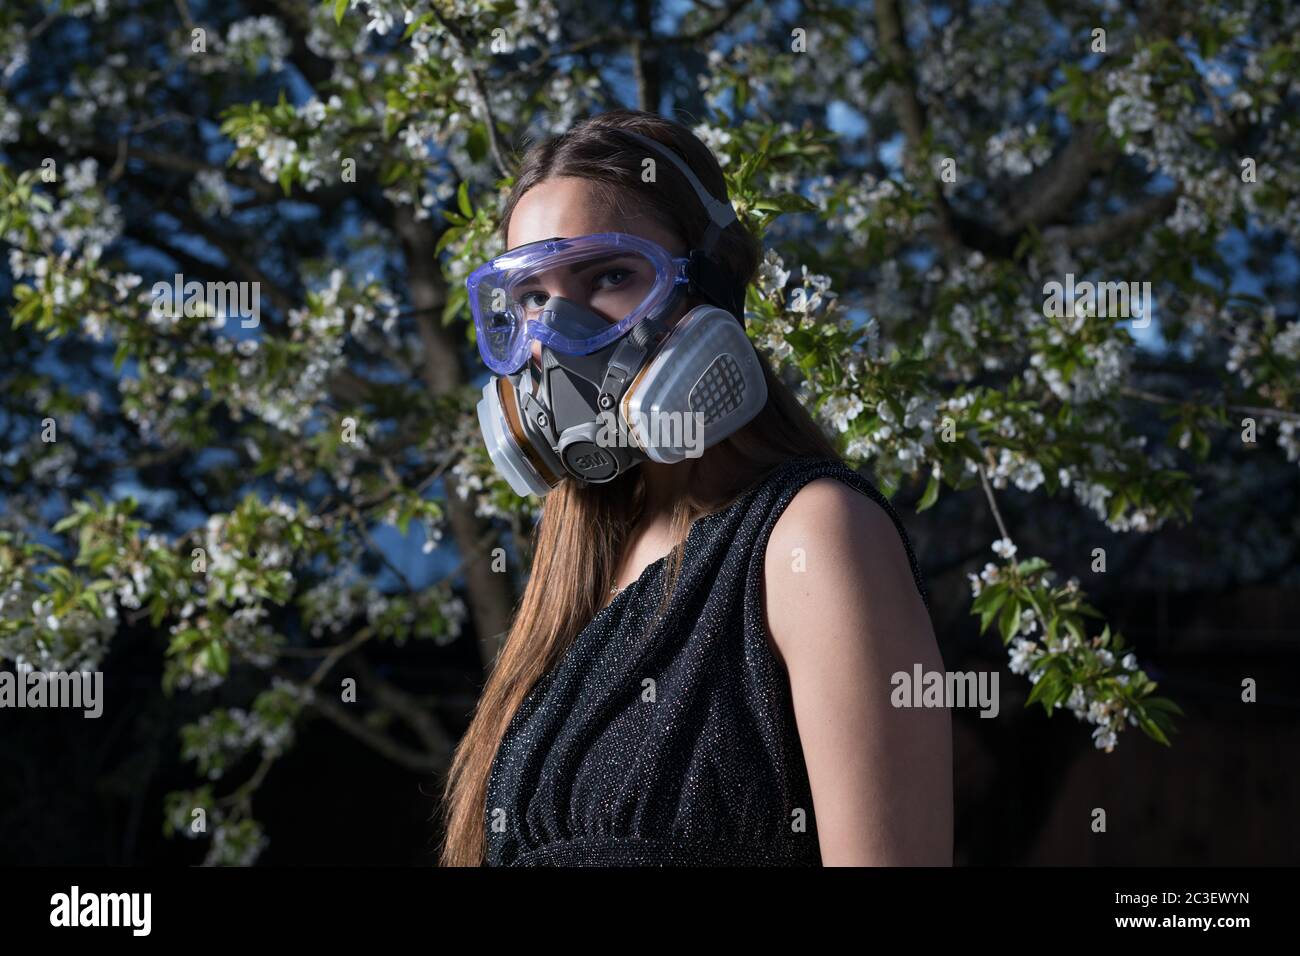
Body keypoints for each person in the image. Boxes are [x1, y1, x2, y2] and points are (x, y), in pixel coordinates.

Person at [438, 109, 951, 866]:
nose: (556, 336)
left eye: (609, 276)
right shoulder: (575, 572)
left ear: (709, 287)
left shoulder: (812, 537)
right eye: (530, 301)